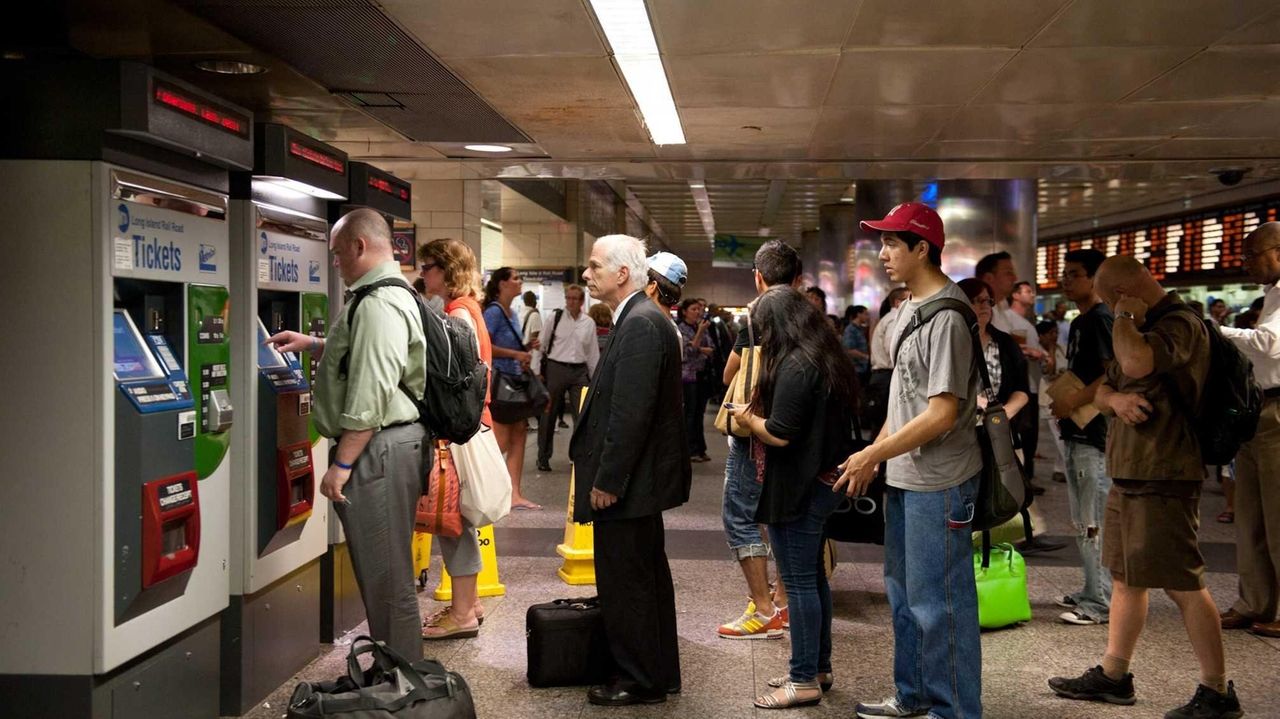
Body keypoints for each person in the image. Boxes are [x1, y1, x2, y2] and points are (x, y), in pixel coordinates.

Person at [1049, 256, 1243, 719]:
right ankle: (1114, 675)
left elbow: (1135, 362)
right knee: (1126, 578)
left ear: (1121, 295)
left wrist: (1121, 317)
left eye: (1108, 299)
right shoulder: (1142, 326)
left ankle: (1217, 690)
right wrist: (1114, 399)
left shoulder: (1179, 325)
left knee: (1183, 582)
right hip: (1132, 471)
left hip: (1164, 472)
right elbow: (1105, 389)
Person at [836, 202, 983, 719]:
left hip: (940, 483)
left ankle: (954, 710)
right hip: (905, 476)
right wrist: (876, 456)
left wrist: (873, 452)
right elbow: (905, 401)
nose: (882, 254)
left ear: (923, 248)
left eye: (892, 243)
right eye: (882, 242)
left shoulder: (948, 318)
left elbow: (942, 413)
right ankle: (914, 693)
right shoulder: (909, 311)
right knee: (903, 596)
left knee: (940, 603)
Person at [265, 208, 426, 659]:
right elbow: (368, 355)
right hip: (386, 446)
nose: (334, 262)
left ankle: (401, 679)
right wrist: (316, 345)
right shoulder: (386, 294)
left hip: (379, 449)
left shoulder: (378, 303)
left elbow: (371, 393)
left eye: (338, 253)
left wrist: (341, 464)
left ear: (360, 246)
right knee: (383, 572)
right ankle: (394, 669)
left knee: (387, 577)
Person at [726, 288, 859, 709]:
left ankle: (803, 680)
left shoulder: (796, 365)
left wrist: (748, 418)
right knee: (813, 578)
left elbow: (780, 432)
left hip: (801, 486)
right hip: (821, 479)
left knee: (799, 583)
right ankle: (817, 668)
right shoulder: (823, 357)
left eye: (762, 328)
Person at [572, 234, 690, 706]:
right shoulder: (641, 317)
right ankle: (659, 671)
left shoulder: (640, 323)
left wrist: (608, 480)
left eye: (595, 266)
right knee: (645, 577)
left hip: (629, 485)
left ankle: (639, 678)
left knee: (628, 583)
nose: (587, 274)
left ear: (622, 274)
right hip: (639, 483)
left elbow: (630, 413)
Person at [716, 239, 802, 641]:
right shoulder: (810, 322)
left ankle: (764, 610)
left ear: (758, 278)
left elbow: (728, 375)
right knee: (782, 516)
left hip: (753, 432)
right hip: (795, 433)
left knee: (740, 515)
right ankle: (784, 602)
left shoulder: (754, 322)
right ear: (798, 280)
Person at [416, 238, 496, 639]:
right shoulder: (467, 308)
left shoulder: (458, 314)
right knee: (457, 518)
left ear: (446, 270)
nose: (422, 274)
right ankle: (471, 603)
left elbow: (453, 381)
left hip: (458, 432)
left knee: (452, 521)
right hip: (471, 427)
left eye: (427, 266)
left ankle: (463, 613)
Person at [1218, 222, 1280, 640]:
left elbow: (1269, 344)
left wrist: (1215, 331)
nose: (1246, 263)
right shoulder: (1272, 293)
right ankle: (1254, 601)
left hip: (1277, 412)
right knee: (1251, 516)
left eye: (1252, 255)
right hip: (1258, 409)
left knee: (1277, 517)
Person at [1049, 248, 1116, 627]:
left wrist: (1073, 400)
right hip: (1078, 429)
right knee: (1083, 520)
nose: (1066, 281)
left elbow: (1113, 372)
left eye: (1074, 274)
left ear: (1095, 278)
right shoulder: (1080, 322)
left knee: (1094, 522)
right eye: (1065, 274)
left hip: (1095, 433)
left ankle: (1100, 601)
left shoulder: (1102, 319)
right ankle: (1091, 587)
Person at [977, 251, 1048, 497]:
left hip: (1002, 414)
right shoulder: (958, 334)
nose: (1014, 278)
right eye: (1008, 272)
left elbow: (1018, 384)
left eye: (987, 302)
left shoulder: (1003, 322)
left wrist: (1007, 410)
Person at [483, 268, 542, 511]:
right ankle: (487, 491)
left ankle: (514, 493)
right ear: (502, 284)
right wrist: (515, 354)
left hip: (515, 381)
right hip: (500, 383)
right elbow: (485, 346)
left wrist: (525, 349)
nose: (520, 281)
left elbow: (509, 346)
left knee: (519, 434)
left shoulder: (513, 313)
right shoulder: (493, 312)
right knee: (502, 439)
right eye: (515, 278)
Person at [533, 285, 599, 473]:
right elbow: (541, 345)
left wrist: (595, 379)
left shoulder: (588, 323)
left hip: (579, 371)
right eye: (568, 298)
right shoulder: (555, 318)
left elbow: (592, 353)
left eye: (574, 298)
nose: (571, 302)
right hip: (556, 368)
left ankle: (576, 456)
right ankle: (543, 457)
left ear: (581, 301)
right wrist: (536, 370)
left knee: (582, 415)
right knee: (549, 414)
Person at [957, 278, 1030, 420]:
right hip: (957, 425)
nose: (984, 306)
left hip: (994, 425)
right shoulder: (949, 342)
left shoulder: (1005, 342)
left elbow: (1021, 388)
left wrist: (1003, 414)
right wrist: (973, 400)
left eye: (988, 301)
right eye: (977, 301)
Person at [864, 287, 910, 432]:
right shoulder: (894, 318)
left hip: (882, 376)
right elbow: (891, 348)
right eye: (909, 298)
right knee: (885, 425)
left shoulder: (889, 318)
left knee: (882, 424)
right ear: (897, 302)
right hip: (886, 376)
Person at [677, 298, 715, 463]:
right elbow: (689, 351)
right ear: (684, 311)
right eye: (693, 309)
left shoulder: (702, 327)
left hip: (702, 374)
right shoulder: (681, 329)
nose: (697, 312)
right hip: (688, 376)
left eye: (699, 309)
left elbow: (711, 348)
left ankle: (700, 448)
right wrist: (699, 338)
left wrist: (698, 345)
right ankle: (690, 449)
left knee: (699, 413)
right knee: (690, 414)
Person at [1037, 319, 1069, 484]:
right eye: (1050, 333)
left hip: (1065, 396)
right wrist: (1050, 350)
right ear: (1041, 336)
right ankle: (1068, 470)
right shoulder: (1037, 352)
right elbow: (1048, 373)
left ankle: (1058, 469)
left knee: (1063, 436)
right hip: (1049, 400)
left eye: (1056, 332)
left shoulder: (1063, 349)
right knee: (1060, 437)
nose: (1054, 336)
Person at [842, 304, 871, 385]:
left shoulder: (860, 329)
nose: (867, 317)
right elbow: (849, 350)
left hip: (863, 368)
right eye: (865, 314)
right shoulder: (850, 330)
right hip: (856, 369)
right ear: (858, 314)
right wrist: (866, 357)